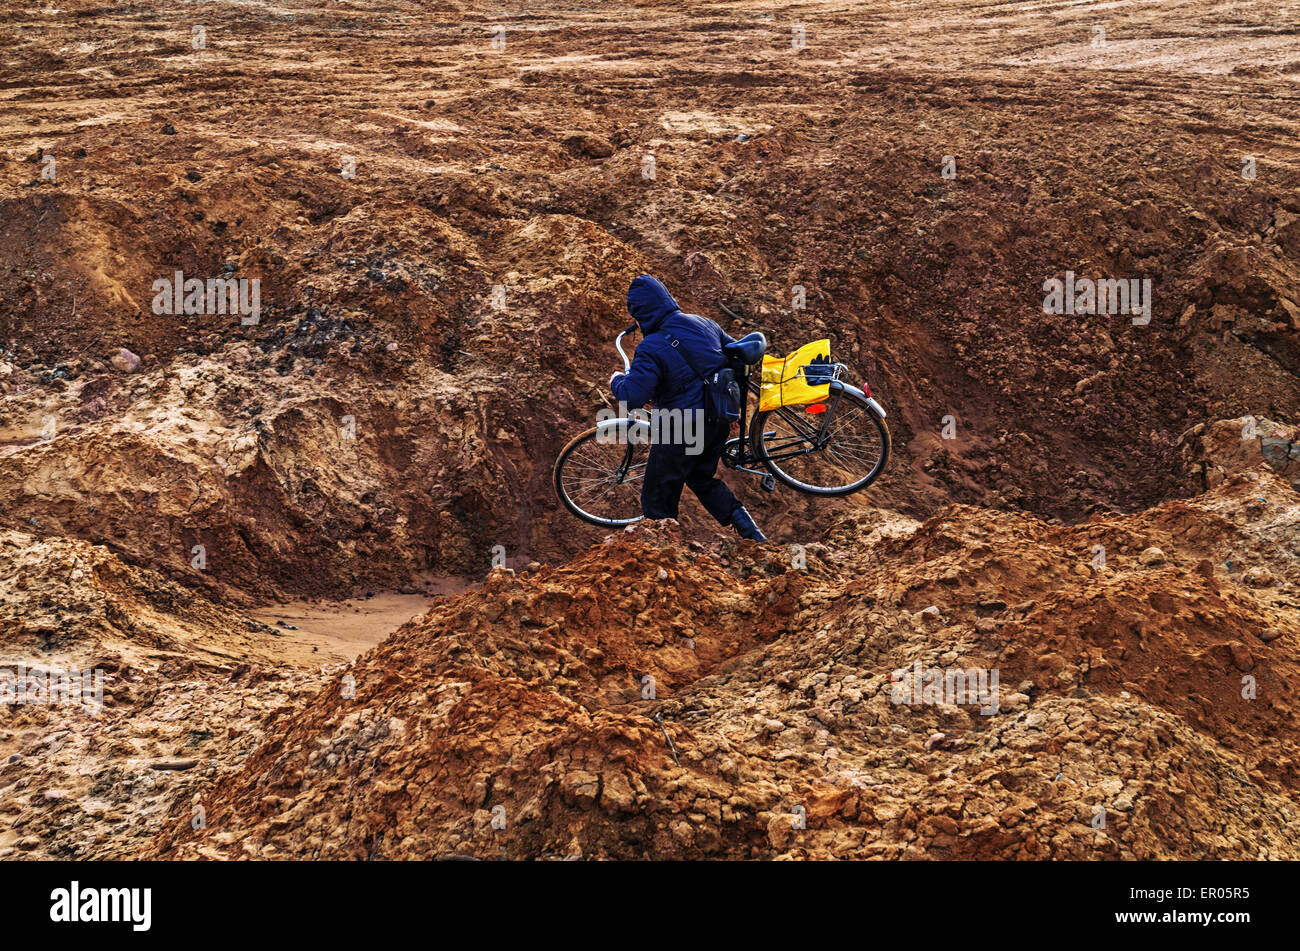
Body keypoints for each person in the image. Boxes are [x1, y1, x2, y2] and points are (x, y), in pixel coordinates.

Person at [609, 274, 767, 542]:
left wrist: (616, 381)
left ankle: (667, 558)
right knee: (701, 477)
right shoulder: (704, 323)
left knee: (657, 497)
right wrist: (732, 411)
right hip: (716, 421)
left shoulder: (650, 346)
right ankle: (754, 536)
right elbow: (737, 362)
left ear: (641, 316)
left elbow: (633, 396)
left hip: (680, 428)